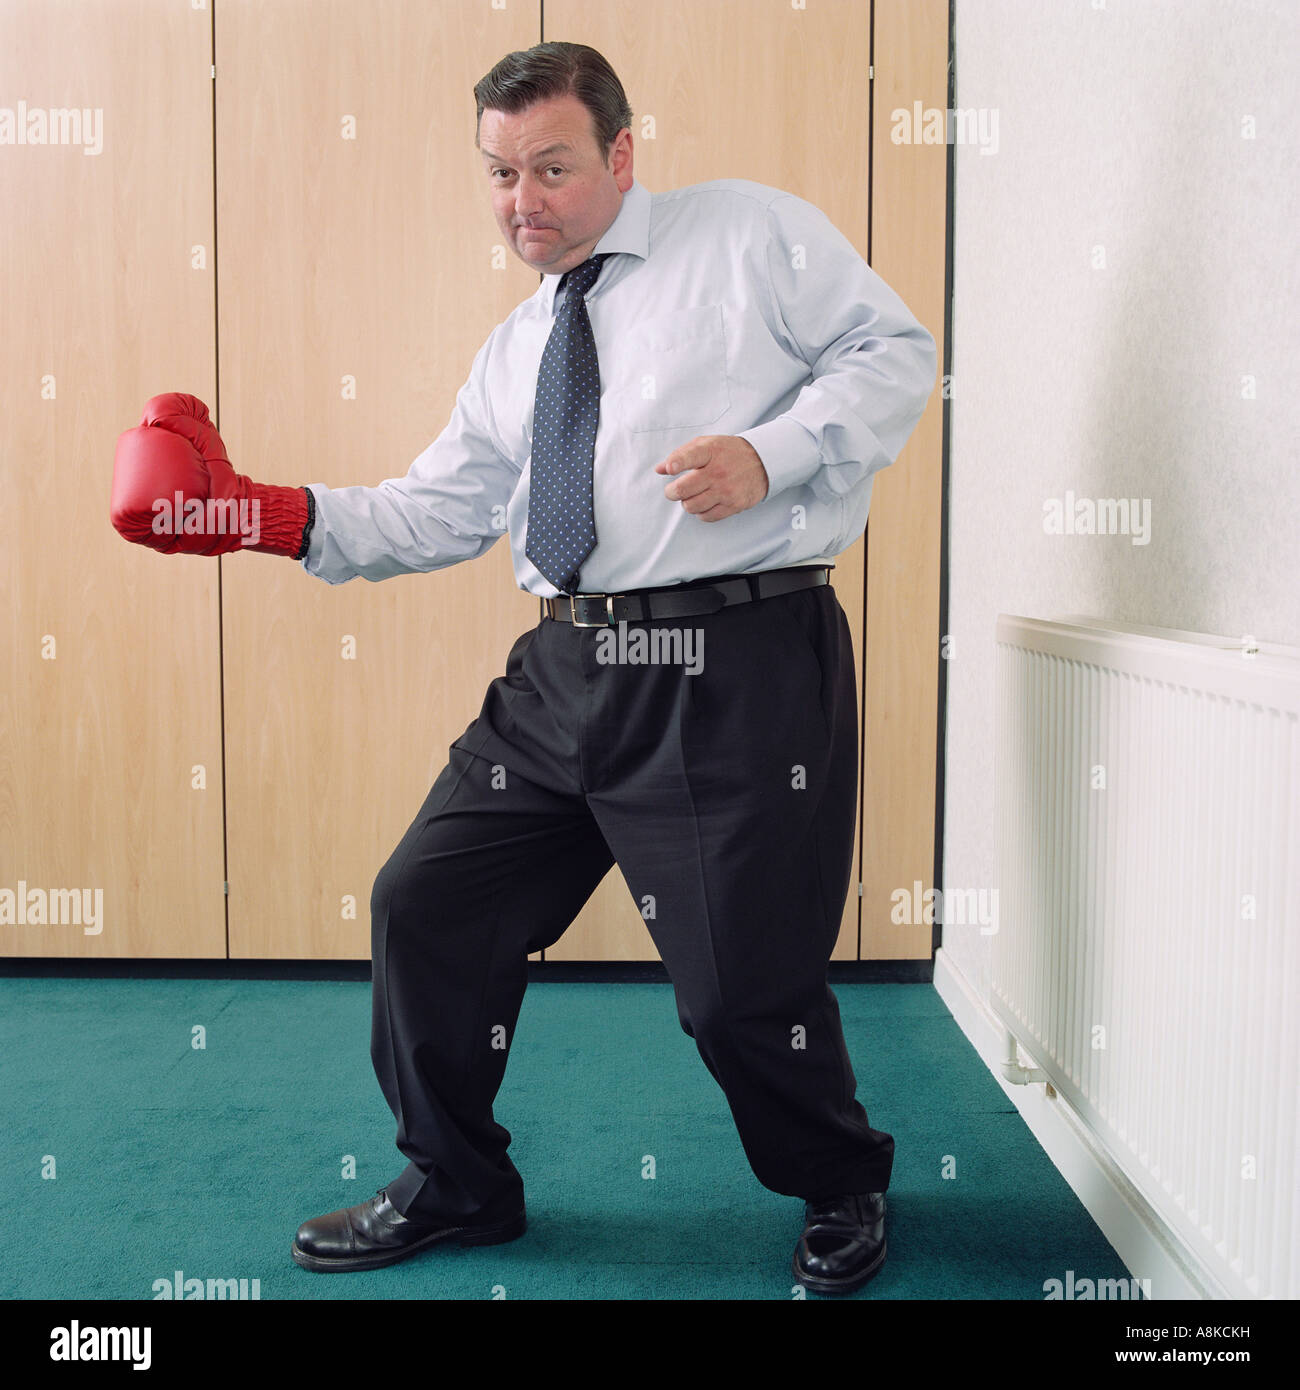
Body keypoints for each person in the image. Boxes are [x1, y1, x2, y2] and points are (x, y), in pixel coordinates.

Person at [111, 40, 936, 1296]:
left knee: (738, 989)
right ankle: (458, 1184)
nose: (521, 201)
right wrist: (257, 514)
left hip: (733, 663)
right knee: (423, 905)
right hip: (562, 675)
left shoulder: (748, 237)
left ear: (617, 154)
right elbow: (436, 511)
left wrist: (774, 453)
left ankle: (838, 1176)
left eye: (549, 166)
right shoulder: (518, 347)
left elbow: (893, 352)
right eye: (499, 174)